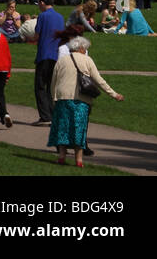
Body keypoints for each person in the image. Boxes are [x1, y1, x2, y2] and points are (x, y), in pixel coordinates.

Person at [49, 30, 123, 167]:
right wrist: (114, 94)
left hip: (63, 98)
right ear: (82, 48)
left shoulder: (62, 60)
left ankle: (61, 157)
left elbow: (54, 80)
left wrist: (54, 97)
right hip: (81, 99)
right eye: (86, 48)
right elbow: (99, 80)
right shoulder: (88, 60)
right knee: (79, 129)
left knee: (63, 128)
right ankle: (79, 160)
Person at [31, 0, 65, 126]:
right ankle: (52, 114)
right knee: (51, 87)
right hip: (56, 54)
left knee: (40, 86)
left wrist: (29, 39)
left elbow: (37, 35)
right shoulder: (60, 17)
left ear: (42, 3)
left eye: (39, 3)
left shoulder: (43, 16)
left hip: (44, 54)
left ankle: (45, 116)